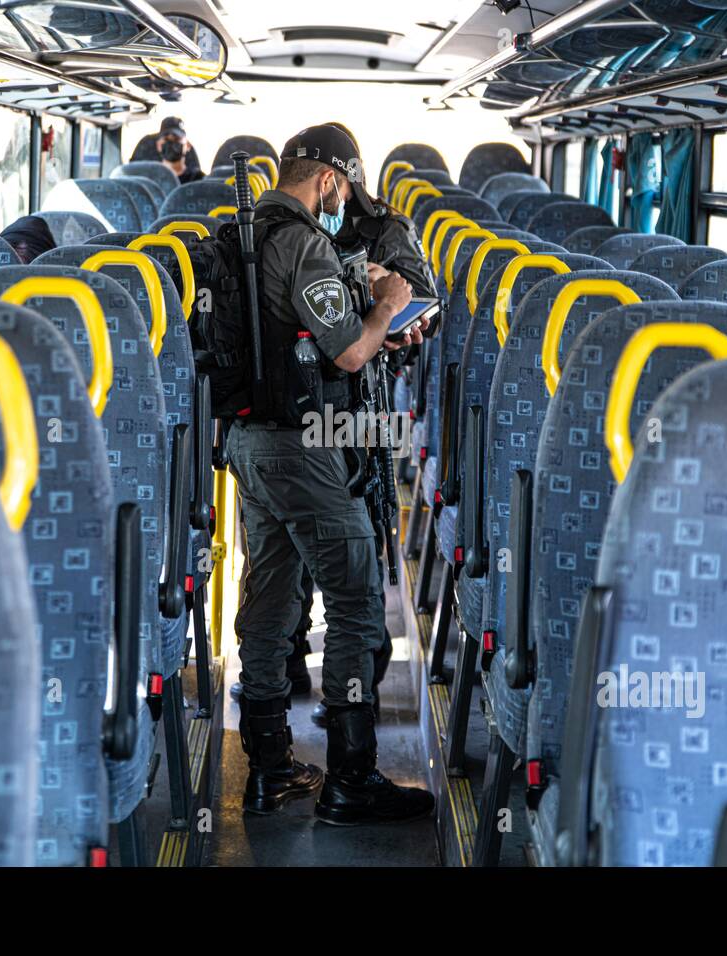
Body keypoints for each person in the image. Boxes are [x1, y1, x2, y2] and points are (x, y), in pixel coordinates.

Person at [229, 124, 434, 825]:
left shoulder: (243, 230)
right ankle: (351, 778)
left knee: (272, 596)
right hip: (305, 448)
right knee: (353, 601)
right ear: (328, 181)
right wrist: (385, 305)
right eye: (341, 193)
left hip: (251, 443)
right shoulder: (304, 240)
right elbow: (348, 354)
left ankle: (270, 767)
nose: (341, 205)